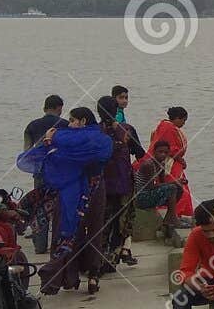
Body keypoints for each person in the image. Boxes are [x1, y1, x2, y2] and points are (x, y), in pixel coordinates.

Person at [34, 106, 119, 296]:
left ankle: (67, 277)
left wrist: (48, 139)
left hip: (72, 191)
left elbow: (52, 158)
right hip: (96, 188)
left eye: (73, 120)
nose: (70, 124)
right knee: (95, 230)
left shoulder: (67, 140)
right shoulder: (102, 140)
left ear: (83, 121)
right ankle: (93, 276)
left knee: (67, 230)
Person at [97, 96, 139, 266]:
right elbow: (140, 153)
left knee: (103, 221)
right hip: (124, 184)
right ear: (116, 111)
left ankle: (101, 258)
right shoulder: (127, 130)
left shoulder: (95, 132)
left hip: (101, 185)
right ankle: (118, 253)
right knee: (123, 220)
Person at [22, 94, 63, 254]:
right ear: (59, 108)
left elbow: (27, 152)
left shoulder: (32, 126)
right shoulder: (64, 124)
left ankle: (40, 246)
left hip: (40, 172)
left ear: (44, 108)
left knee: (40, 207)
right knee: (60, 206)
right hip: (60, 173)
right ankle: (58, 245)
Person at [132, 140, 184, 242]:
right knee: (173, 187)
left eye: (165, 152)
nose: (163, 154)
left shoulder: (161, 164)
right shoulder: (148, 165)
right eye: (160, 152)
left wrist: (176, 183)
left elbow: (163, 182)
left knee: (178, 188)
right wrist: (173, 182)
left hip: (149, 193)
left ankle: (169, 217)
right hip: (141, 198)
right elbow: (150, 187)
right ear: (154, 152)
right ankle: (172, 219)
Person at [150, 106, 193, 220]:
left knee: (178, 187)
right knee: (178, 188)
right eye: (183, 120)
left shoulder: (165, 126)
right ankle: (176, 213)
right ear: (177, 118)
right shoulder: (168, 128)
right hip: (170, 164)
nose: (184, 123)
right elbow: (171, 148)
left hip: (172, 162)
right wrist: (180, 159)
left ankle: (177, 213)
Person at [110, 85, 146, 159]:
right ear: (113, 99)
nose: (124, 101)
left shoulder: (119, 112)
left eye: (126, 98)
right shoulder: (118, 114)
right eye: (121, 98)